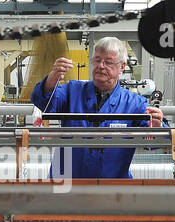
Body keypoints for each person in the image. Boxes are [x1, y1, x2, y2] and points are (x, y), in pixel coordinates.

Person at [30, 37, 164, 179]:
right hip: (67, 185)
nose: (101, 66)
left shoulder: (135, 104)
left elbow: (154, 143)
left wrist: (157, 126)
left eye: (108, 62)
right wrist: (52, 78)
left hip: (114, 189)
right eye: (97, 60)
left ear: (122, 67)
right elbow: (41, 100)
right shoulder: (72, 91)